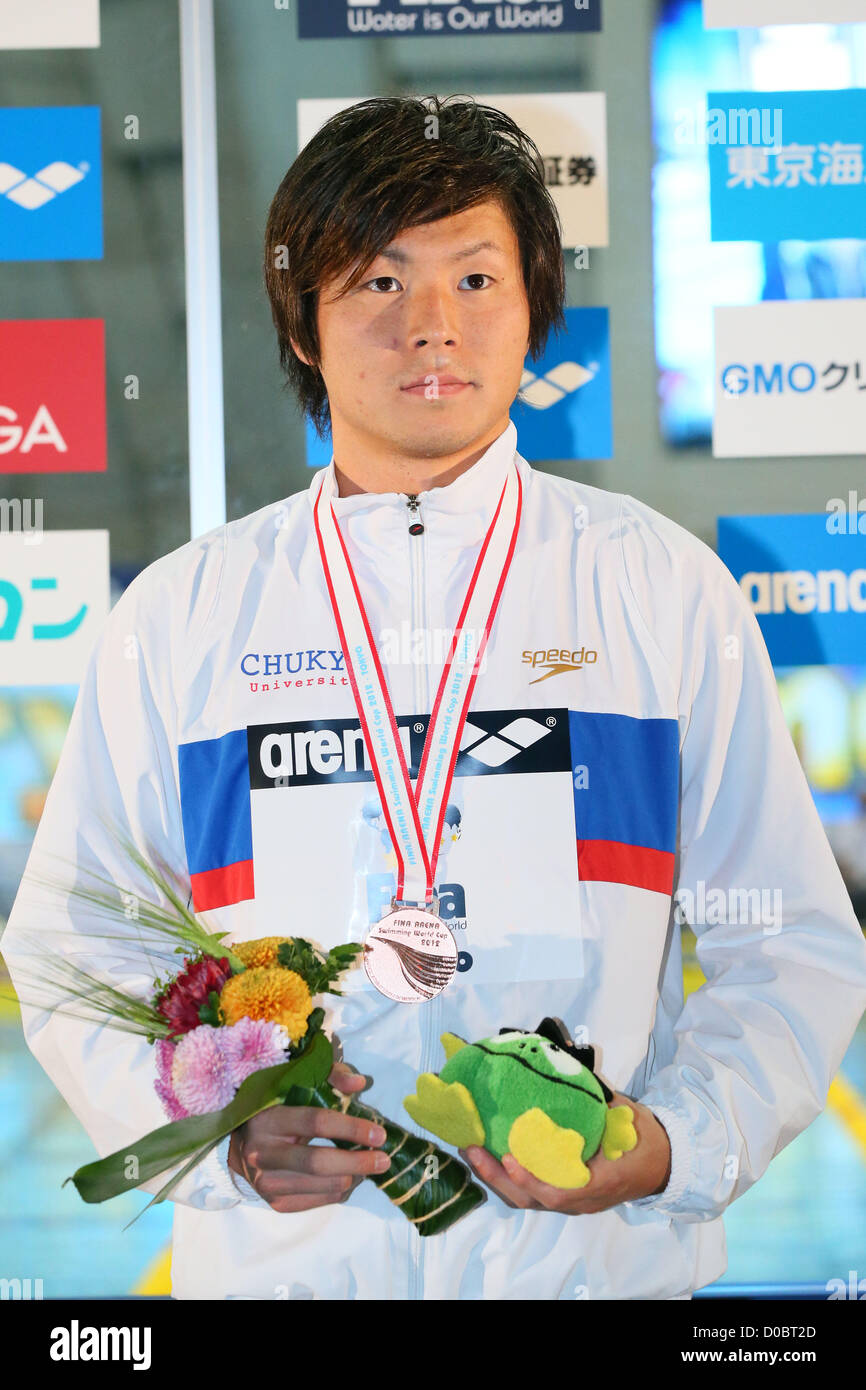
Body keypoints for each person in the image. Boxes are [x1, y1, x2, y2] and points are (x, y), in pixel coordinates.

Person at [3, 96, 866, 1302]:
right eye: (377, 282)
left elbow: (785, 942)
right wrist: (219, 1141)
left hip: (589, 1279)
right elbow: (75, 942)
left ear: (532, 314)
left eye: (473, 280)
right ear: (303, 323)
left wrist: (668, 1147)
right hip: (287, 1281)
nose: (429, 328)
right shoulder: (186, 614)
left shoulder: (660, 588)